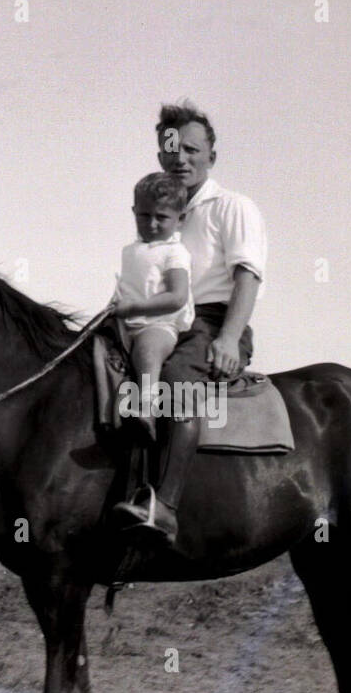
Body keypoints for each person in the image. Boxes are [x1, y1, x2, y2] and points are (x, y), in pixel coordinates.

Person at [111, 100, 267, 542]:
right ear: (161, 155)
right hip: (163, 320)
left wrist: (230, 339)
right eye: (172, 149)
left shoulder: (232, 207)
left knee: (177, 383)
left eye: (192, 150)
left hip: (212, 321)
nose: (181, 157)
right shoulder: (163, 213)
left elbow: (248, 276)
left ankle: (167, 507)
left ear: (211, 157)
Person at [110, 172, 193, 445]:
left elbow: (177, 296)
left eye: (162, 217)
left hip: (158, 325)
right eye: (144, 216)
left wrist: (134, 307)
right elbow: (127, 288)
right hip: (126, 322)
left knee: (147, 351)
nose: (152, 224)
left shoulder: (175, 252)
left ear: (180, 219)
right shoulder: (130, 250)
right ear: (134, 211)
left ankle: (146, 409)